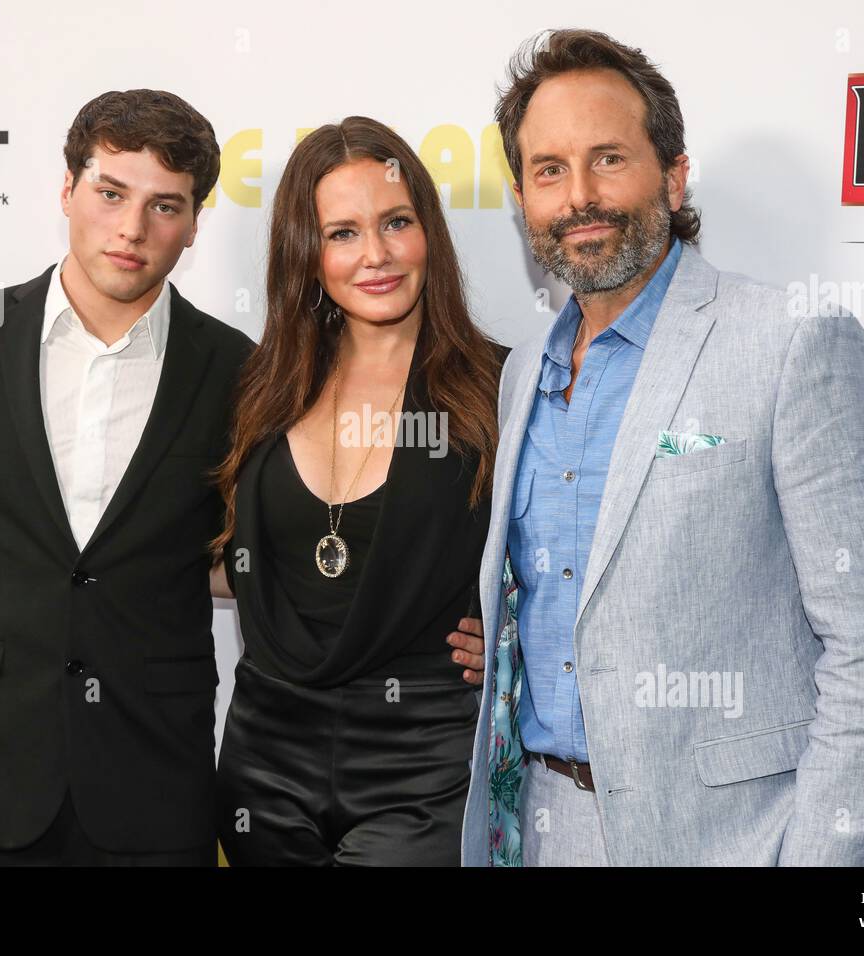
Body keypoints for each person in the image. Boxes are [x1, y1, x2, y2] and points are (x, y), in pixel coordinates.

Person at [461, 29, 864, 866]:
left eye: (609, 158)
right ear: (522, 195)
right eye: (549, 169)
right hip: (539, 823)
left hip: (729, 841)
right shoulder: (524, 369)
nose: (579, 196)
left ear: (672, 174)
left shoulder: (792, 343)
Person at [0, 89, 253, 865]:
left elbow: (260, 548)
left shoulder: (237, 370)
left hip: (153, 778)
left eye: (165, 206)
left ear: (194, 224)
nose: (131, 229)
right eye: (111, 193)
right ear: (67, 189)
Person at [210, 116, 505, 866]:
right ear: (306, 255)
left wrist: (515, 633)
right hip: (264, 758)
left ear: (428, 232)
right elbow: (220, 554)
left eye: (395, 222)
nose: (374, 255)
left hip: (422, 760)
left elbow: (578, 554)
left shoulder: (500, 389)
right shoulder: (260, 389)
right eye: (341, 233)